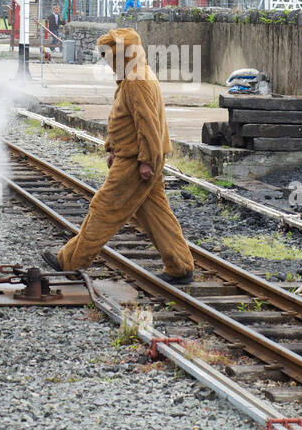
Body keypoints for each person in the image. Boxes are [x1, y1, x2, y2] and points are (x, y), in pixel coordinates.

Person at [42, 27, 195, 285]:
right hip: (135, 157)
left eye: (111, 59)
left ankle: (70, 262)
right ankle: (180, 266)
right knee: (155, 213)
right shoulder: (134, 76)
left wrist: (146, 160)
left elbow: (146, 123)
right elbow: (124, 120)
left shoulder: (137, 80)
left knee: (104, 209)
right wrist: (112, 147)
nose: (108, 65)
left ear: (124, 56)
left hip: (136, 161)